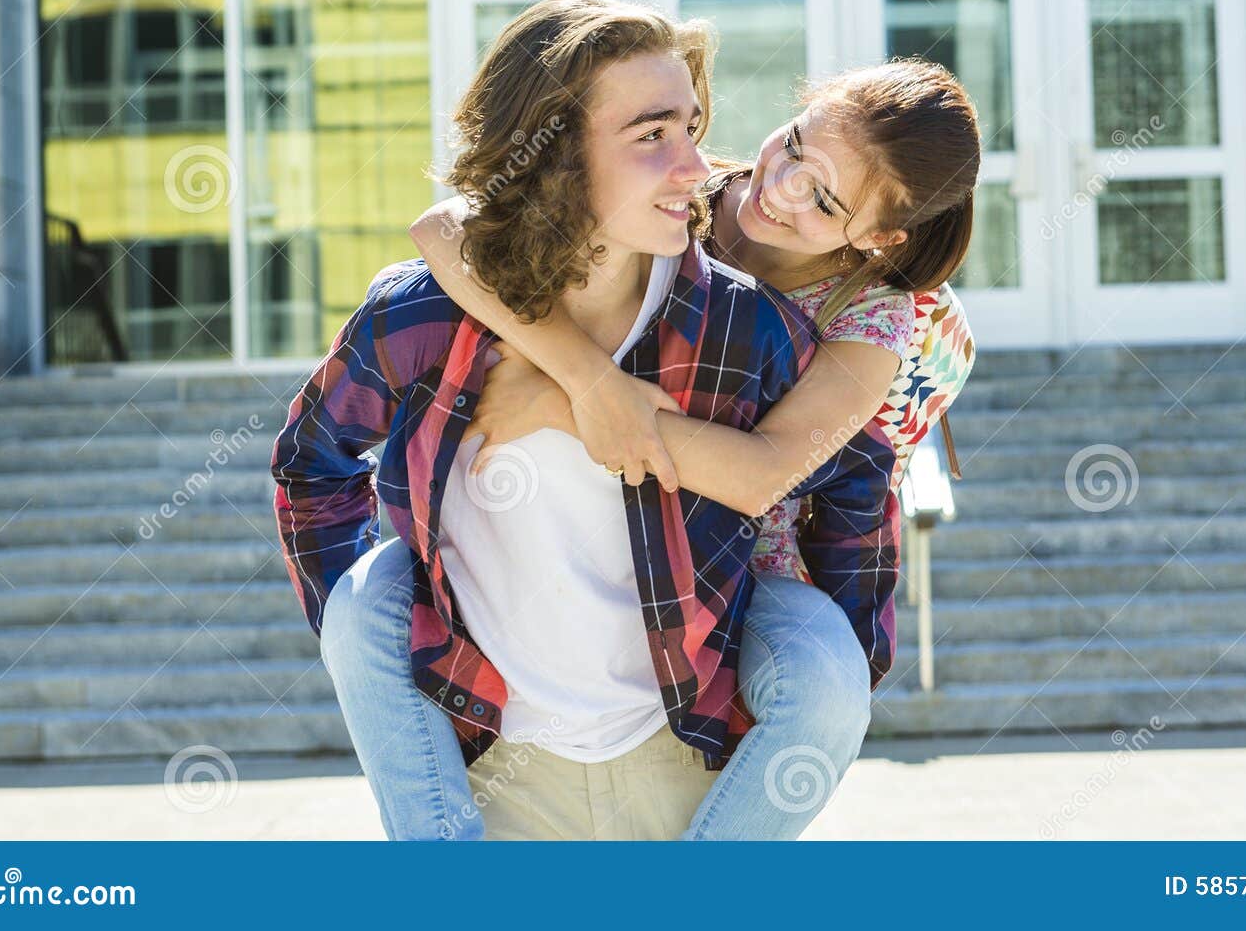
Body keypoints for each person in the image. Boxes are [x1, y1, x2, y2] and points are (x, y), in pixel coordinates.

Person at [270, 0, 900, 841]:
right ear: (554, 153)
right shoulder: (422, 319)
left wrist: (815, 673)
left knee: (824, 646)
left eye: (692, 126)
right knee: (367, 592)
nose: (694, 166)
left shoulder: (744, 328)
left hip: (682, 769)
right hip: (494, 774)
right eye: (652, 135)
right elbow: (311, 464)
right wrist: (396, 664)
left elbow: (857, 471)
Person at [410, 54, 983, 837]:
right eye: (792, 145)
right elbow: (445, 229)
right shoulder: (691, 188)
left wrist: (557, 403)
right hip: (592, 521)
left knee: (826, 687)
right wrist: (588, 380)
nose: (778, 190)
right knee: (371, 605)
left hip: (744, 567)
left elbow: (760, 475)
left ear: (879, 237)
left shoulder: (871, 322)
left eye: (822, 197)